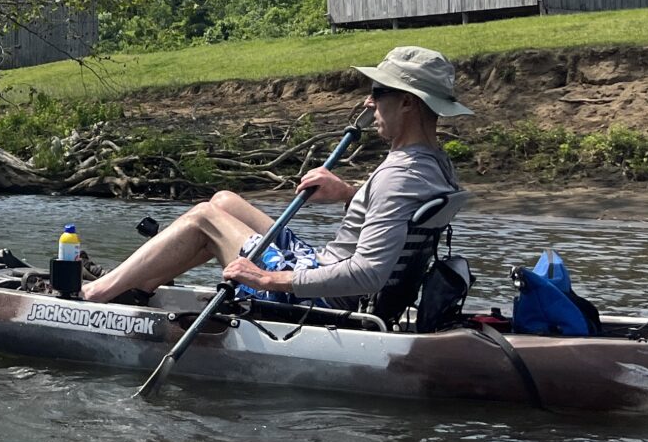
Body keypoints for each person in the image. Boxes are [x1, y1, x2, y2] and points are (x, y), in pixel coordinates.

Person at [81, 45, 470, 309]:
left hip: (321, 298)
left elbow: (368, 273)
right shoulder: (434, 164)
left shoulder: (399, 176)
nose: (368, 101)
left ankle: (97, 294)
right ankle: (137, 285)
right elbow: (393, 221)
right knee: (224, 202)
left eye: (377, 91)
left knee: (204, 217)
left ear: (407, 102)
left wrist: (266, 279)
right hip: (323, 271)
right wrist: (348, 194)